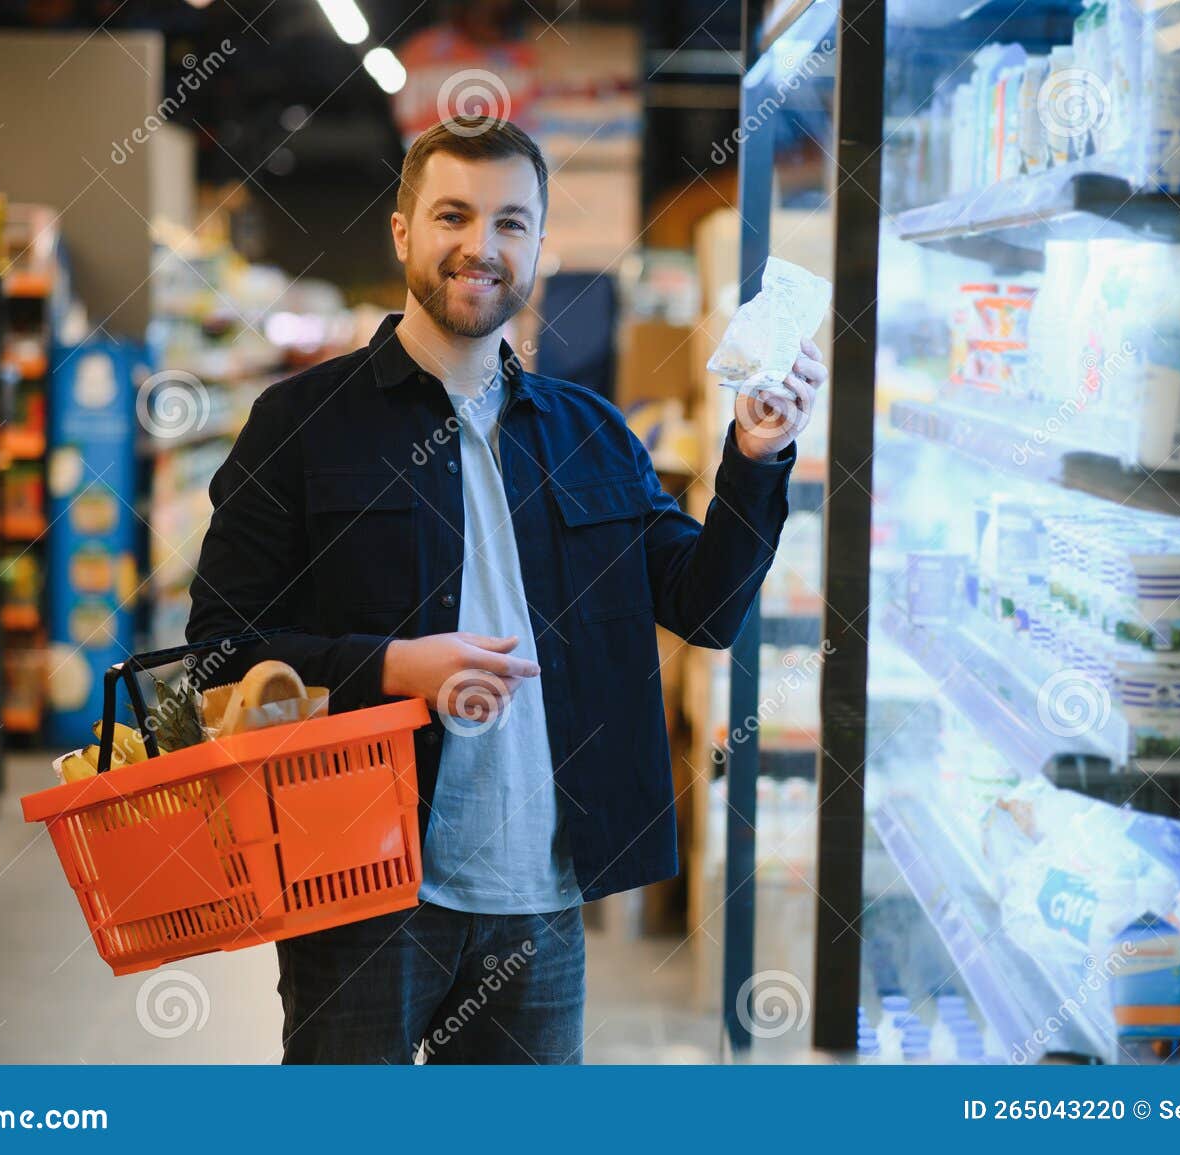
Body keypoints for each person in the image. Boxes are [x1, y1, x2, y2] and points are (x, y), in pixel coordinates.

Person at [186, 114, 827, 1064]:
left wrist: (755, 457)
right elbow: (217, 652)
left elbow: (705, 606)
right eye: (453, 216)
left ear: (536, 246)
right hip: (362, 888)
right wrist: (393, 666)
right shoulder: (301, 423)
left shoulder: (589, 430)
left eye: (511, 224)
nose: (481, 247)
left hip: (543, 900)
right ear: (403, 234)